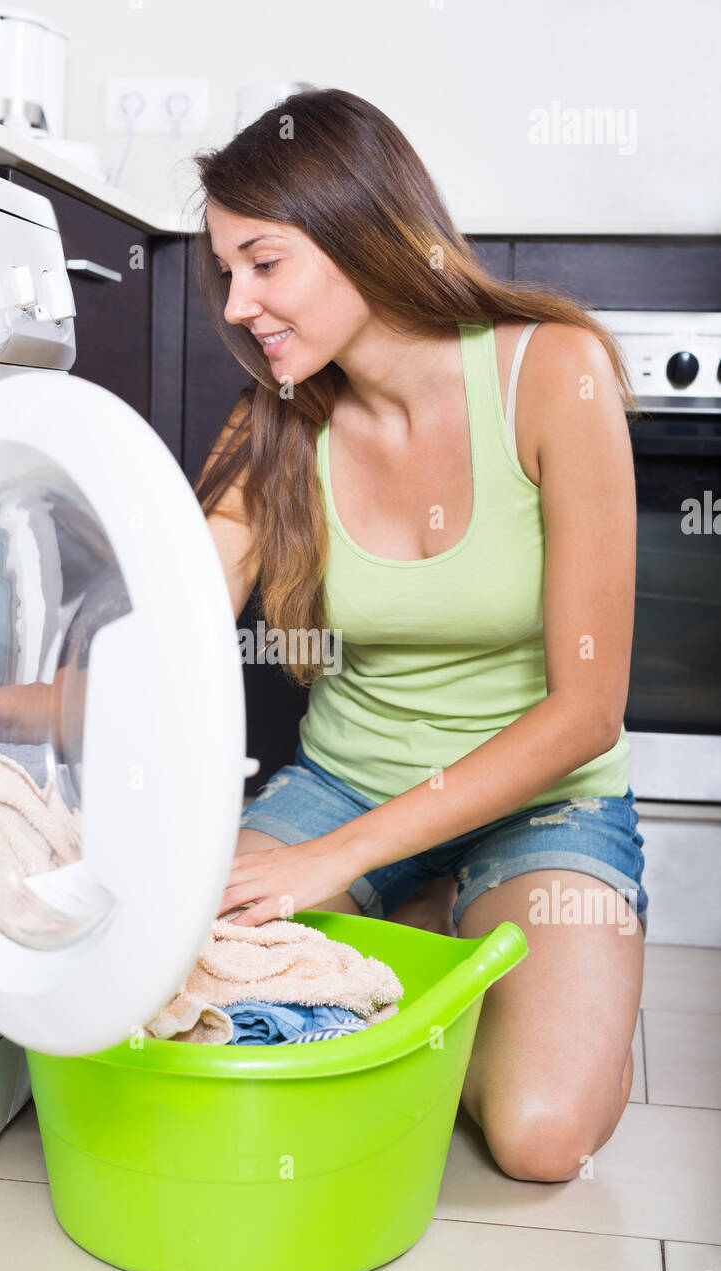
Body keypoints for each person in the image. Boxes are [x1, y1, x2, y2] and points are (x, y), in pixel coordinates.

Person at [191, 88, 646, 1184]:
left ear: (362, 233)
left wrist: (338, 864)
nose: (237, 304)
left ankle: (483, 932)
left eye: (263, 263)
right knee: (194, 987)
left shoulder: (551, 371)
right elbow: (158, 625)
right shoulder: (272, 424)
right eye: (224, 275)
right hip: (340, 784)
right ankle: (428, 918)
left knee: (539, 1137)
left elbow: (585, 709)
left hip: (542, 803)